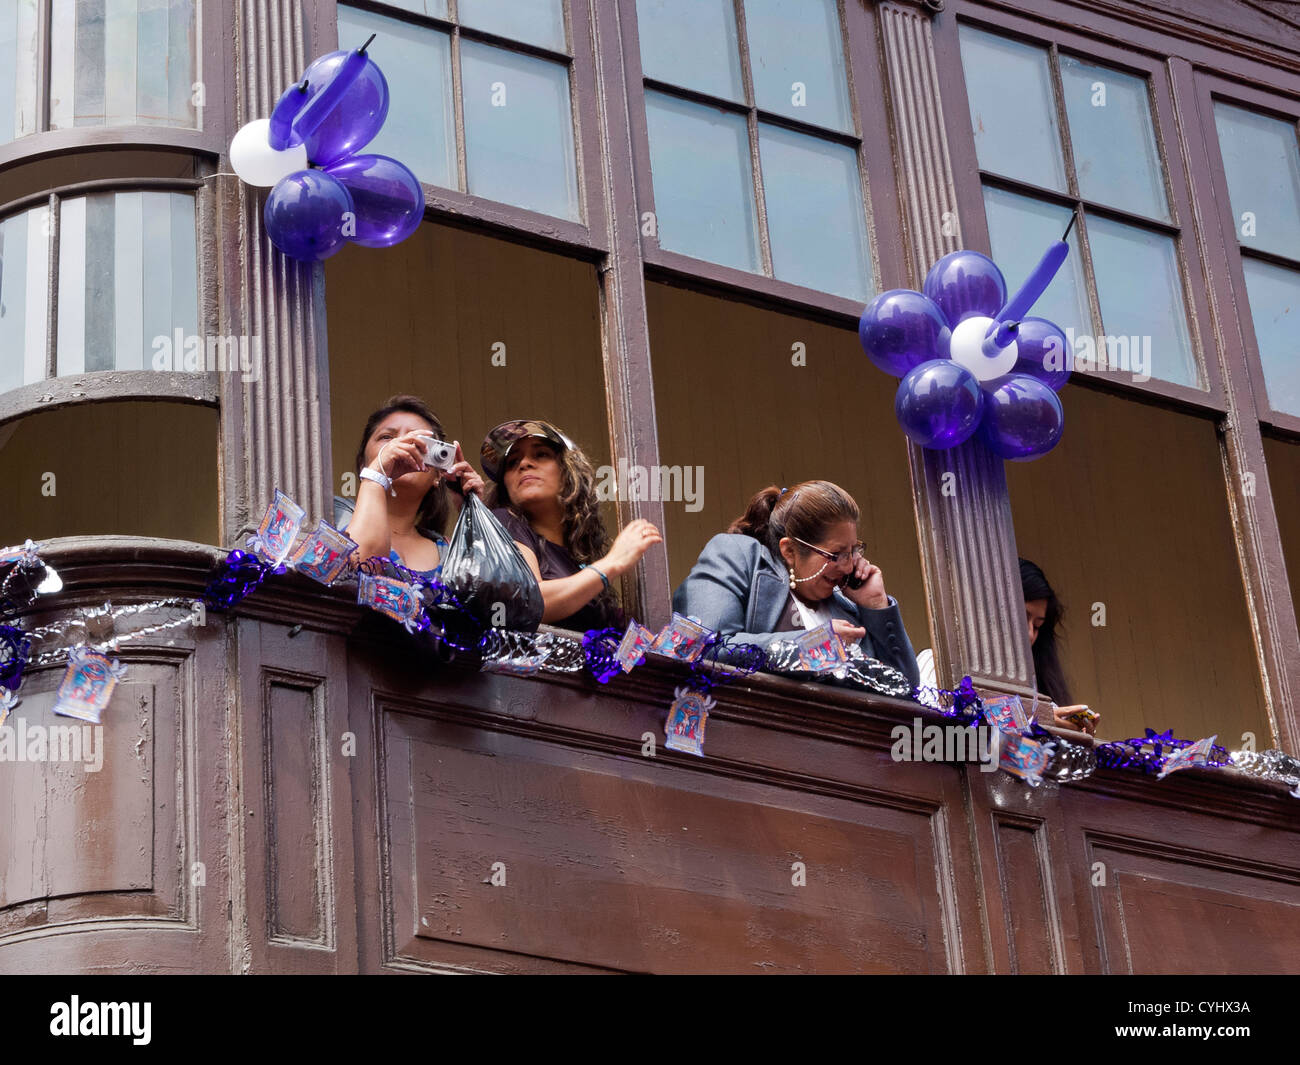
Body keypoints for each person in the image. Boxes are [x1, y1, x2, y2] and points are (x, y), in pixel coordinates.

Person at [671, 480, 920, 687]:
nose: (847, 567)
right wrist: (812, 646)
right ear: (790, 550)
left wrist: (876, 605)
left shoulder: (847, 607)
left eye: (853, 551)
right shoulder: (737, 555)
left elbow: (905, 689)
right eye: (836, 554)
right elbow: (702, 646)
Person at [480, 419, 662, 631]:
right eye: (512, 462)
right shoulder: (503, 520)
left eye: (541, 454)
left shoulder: (580, 558)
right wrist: (612, 563)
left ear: (567, 471)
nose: (524, 464)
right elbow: (527, 602)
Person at [915, 558, 1099, 734]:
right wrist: (1034, 719)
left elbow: (1016, 758)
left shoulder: (1041, 700)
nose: (1029, 633)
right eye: (1022, 616)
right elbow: (936, 725)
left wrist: (1074, 737)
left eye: (1036, 626)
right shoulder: (935, 664)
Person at [337, 394, 484, 579]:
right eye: (387, 437)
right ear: (362, 465)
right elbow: (363, 566)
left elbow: (493, 592)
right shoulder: (334, 513)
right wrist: (377, 474)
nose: (403, 445)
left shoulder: (449, 552)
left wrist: (472, 511)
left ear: (439, 474)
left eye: (419, 442)